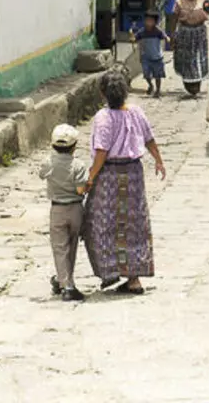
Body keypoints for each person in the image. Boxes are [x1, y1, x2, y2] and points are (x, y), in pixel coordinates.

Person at [83, 71, 167, 295]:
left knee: (99, 221)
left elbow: (101, 151)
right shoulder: (136, 112)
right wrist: (158, 160)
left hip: (109, 176)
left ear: (103, 93)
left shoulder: (103, 117)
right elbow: (149, 139)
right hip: (134, 176)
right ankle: (133, 278)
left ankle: (110, 270)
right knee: (134, 224)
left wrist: (90, 177)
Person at [41, 124, 90, 302]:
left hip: (57, 209)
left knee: (59, 248)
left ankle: (66, 285)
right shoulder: (78, 165)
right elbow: (79, 190)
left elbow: (42, 174)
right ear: (74, 146)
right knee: (72, 246)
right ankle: (64, 280)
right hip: (76, 209)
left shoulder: (47, 162)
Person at [173, 0, 209, 95]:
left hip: (199, 34)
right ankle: (188, 85)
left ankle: (196, 84)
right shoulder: (179, 2)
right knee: (186, 60)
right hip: (184, 33)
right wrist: (172, 35)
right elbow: (174, 19)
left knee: (198, 58)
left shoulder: (205, 1)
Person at [132, 11, 170, 98]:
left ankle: (157, 90)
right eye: (147, 20)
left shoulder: (157, 31)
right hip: (146, 57)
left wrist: (167, 38)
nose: (148, 22)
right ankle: (150, 85)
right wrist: (133, 38)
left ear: (154, 22)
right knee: (146, 74)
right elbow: (136, 37)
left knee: (158, 75)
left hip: (157, 57)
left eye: (150, 21)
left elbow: (164, 36)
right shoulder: (142, 31)